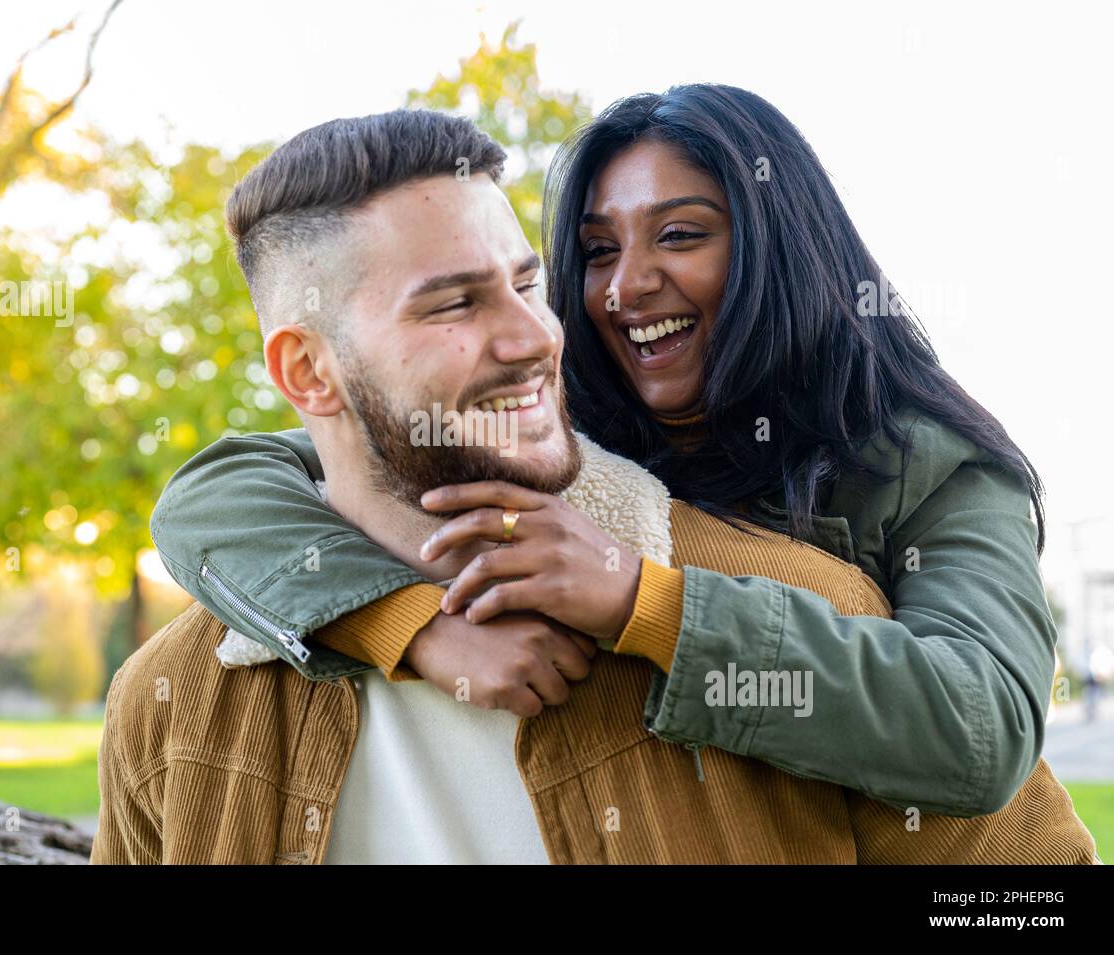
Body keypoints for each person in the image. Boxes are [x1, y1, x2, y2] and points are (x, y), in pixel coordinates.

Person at [93, 108, 1095, 864]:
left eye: (683, 234)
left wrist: (645, 601)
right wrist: (407, 622)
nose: (607, 298)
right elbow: (218, 493)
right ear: (308, 374)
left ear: (781, 259)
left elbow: (980, 744)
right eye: (594, 253)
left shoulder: (907, 503)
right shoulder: (170, 707)